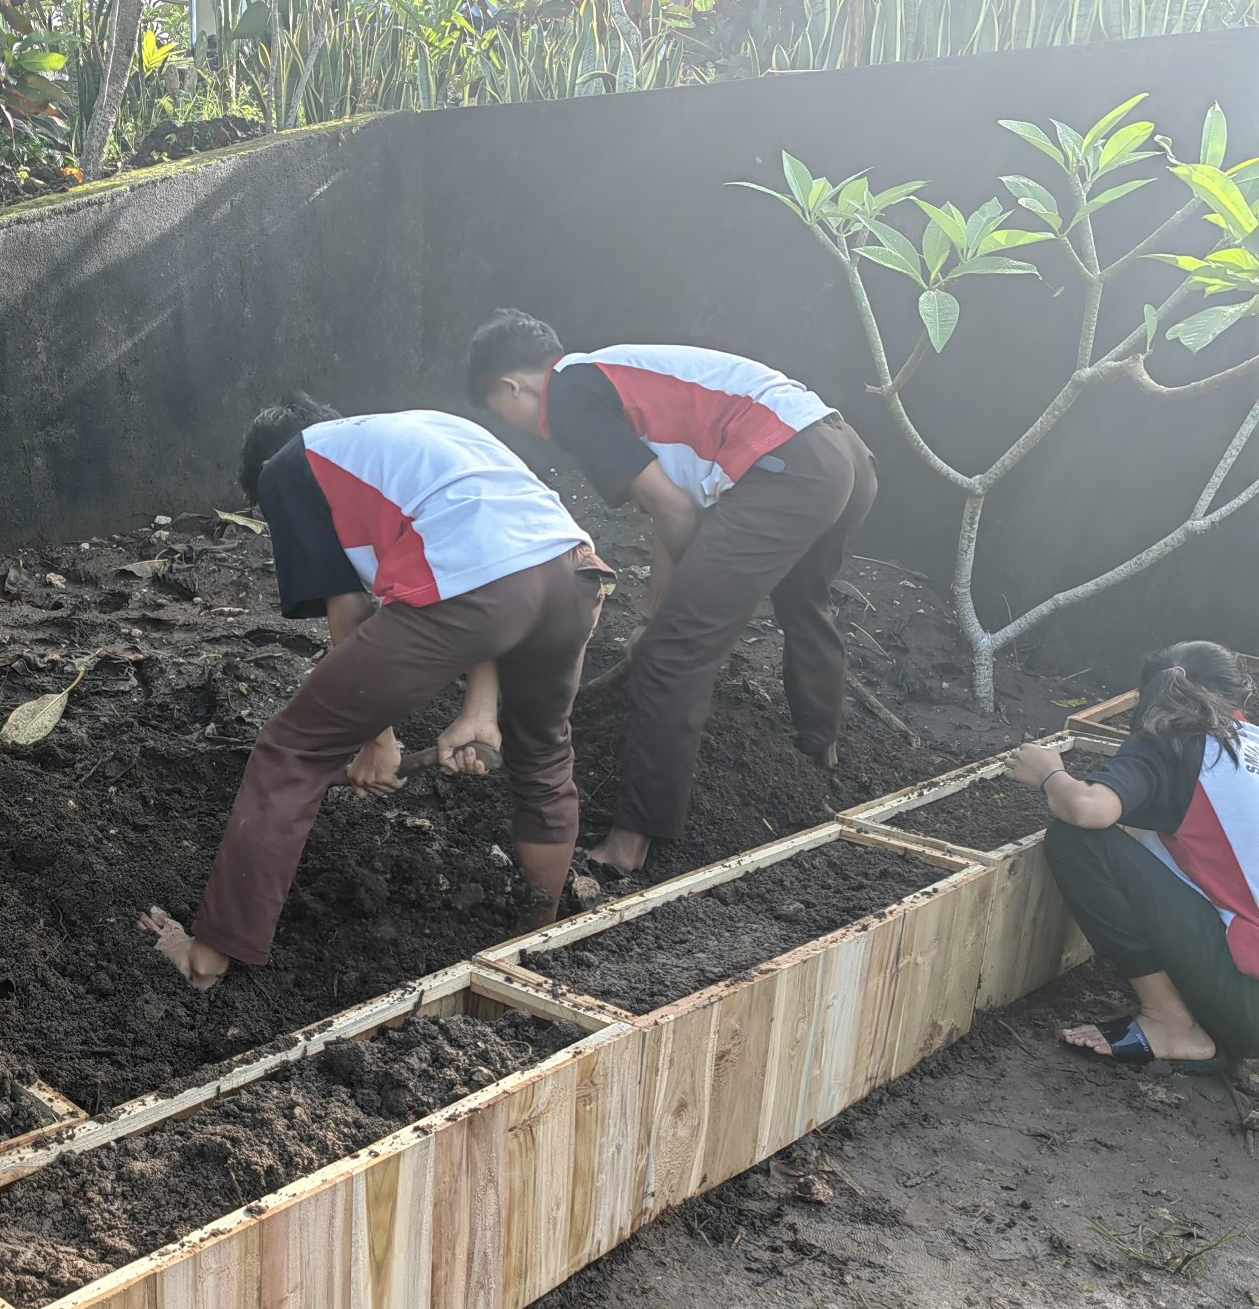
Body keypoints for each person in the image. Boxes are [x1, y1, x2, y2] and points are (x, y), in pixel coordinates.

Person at [140, 396, 612, 988]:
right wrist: (480, 711)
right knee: (543, 750)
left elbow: (352, 610)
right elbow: (495, 549)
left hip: (486, 588)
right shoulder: (428, 431)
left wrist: (376, 738)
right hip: (573, 575)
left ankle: (204, 959)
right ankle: (537, 935)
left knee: (294, 749)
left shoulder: (290, 464)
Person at [467, 310, 878, 875]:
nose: (516, 425)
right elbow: (674, 503)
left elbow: (676, 511)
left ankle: (629, 844)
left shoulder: (568, 398)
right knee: (803, 602)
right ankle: (818, 746)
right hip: (839, 451)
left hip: (787, 464)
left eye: (502, 412)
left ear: (511, 386)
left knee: (672, 657)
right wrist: (653, 612)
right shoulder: (610, 372)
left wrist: (665, 625)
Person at [1002, 642, 1258, 1074]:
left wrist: (1050, 774)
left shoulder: (1172, 744)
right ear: (1242, 696)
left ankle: (1170, 1022)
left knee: (1078, 840)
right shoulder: (1249, 744)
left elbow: (1089, 808)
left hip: (1248, 1007)